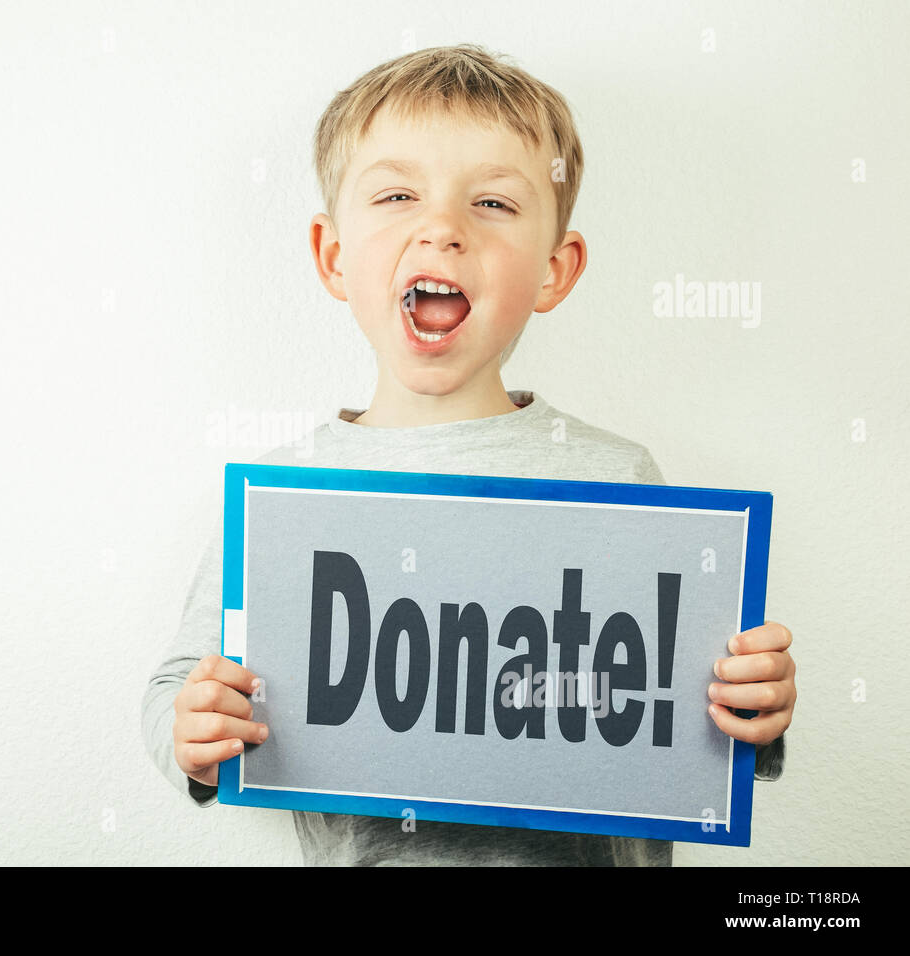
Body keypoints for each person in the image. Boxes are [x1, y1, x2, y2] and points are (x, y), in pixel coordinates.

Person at [141, 43, 795, 865]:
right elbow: (176, 689)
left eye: (491, 203)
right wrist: (196, 734)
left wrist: (751, 715)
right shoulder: (288, 497)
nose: (441, 228)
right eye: (396, 194)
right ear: (334, 257)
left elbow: (694, 713)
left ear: (556, 271)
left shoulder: (617, 479)